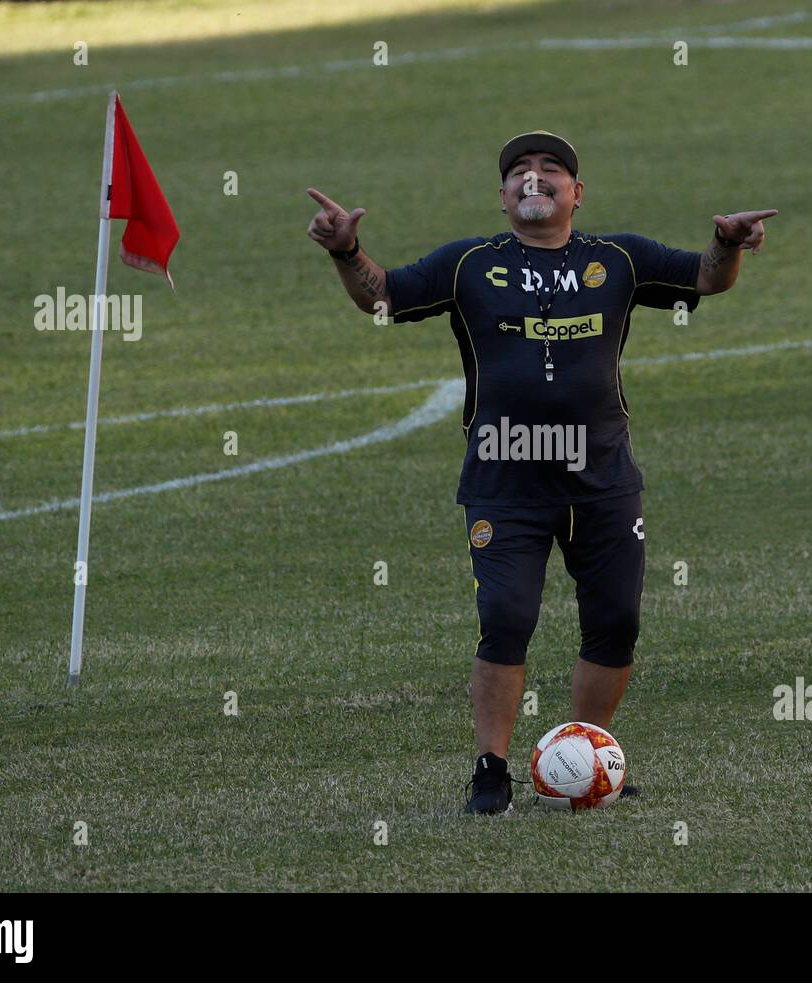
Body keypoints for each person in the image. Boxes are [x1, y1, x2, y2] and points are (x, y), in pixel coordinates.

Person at [307, 130, 777, 814]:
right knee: (505, 617)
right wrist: (347, 249)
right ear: (502, 199)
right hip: (505, 480)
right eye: (519, 171)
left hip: (604, 478)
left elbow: (706, 277)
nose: (534, 177)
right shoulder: (468, 264)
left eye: (551, 169)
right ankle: (491, 768)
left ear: (576, 194)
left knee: (615, 620)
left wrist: (729, 241)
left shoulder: (619, 258)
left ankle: (587, 754)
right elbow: (383, 297)